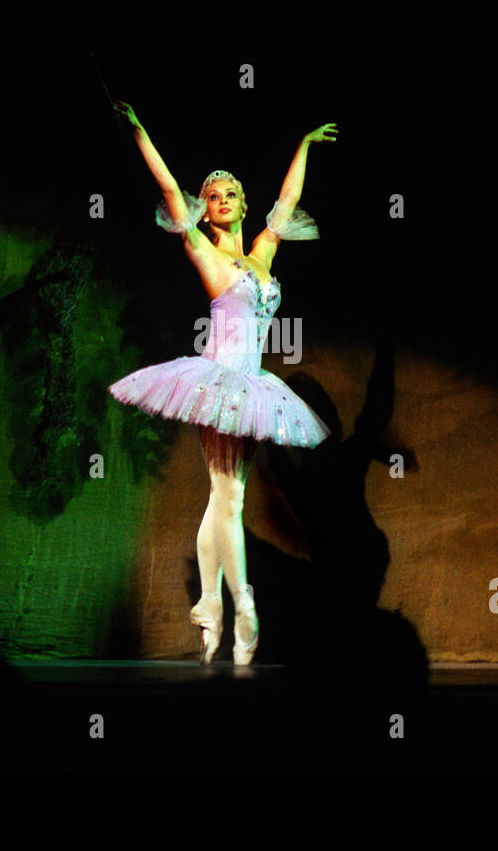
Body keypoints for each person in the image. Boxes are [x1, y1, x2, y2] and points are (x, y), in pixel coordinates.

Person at [107, 99, 337, 665]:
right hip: (217, 380)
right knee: (230, 498)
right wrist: (139, 130)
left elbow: (288, 202)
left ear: (241, 205)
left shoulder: (262, 254)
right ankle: (245, 607)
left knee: (222, 498)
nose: (222, 199)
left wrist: (303, 143)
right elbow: (166, 187)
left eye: (231, 193)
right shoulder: (206, 254)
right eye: (212, 196)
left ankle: (211, 604)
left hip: (253, 386)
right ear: (205, 212)